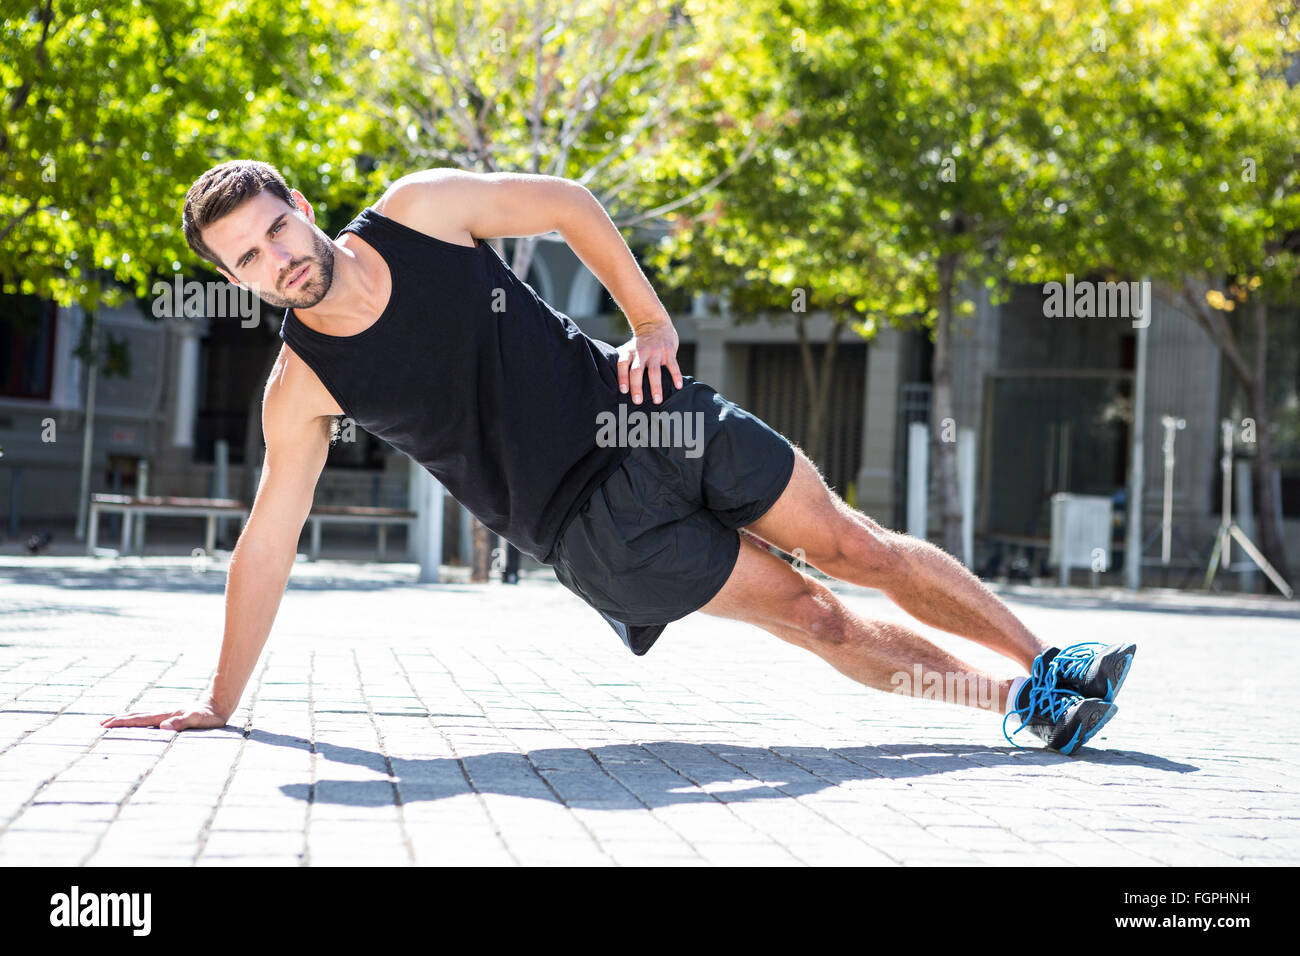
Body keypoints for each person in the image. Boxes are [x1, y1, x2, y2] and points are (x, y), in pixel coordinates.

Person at [101, 160, 1135, 754]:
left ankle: (1048, 663)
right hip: (592, 530)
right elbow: (267, 540)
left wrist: (648, 323)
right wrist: (221, 700)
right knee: (815, 612)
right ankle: (1017, 710)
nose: (277, 258)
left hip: (648, 412)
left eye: (277, 229)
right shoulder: (302, 383)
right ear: (237, 280)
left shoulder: (419, 210)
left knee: (855, 546)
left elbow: (564, 202)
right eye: (249, 258)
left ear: (303, 209)